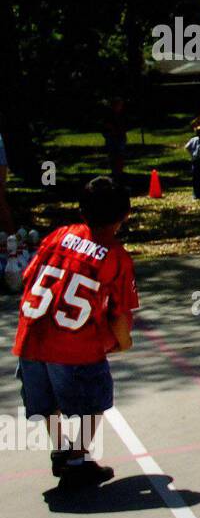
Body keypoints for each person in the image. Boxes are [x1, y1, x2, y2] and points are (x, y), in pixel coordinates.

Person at [12, 176, 138, 486]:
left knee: (45, 404)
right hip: (73, 346)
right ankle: (78, 459)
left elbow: (28, 278)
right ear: (125, 216)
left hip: (31, 337)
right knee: (93, 400)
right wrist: (123, 343)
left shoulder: (58, 236)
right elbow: (119, 314)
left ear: (82, 211)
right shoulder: (116, 257)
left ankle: (61, 450)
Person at [102, 97, 129, 178]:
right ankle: (115, 171)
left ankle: (119, 171)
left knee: (120, 155)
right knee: (113, 155)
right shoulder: (109, 114)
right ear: (115, 105)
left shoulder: (121, 114)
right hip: (112, 137)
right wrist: (114, 131)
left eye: (121, 105)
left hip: (120, 137)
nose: (121, 106)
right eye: (119, 105)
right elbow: (107, 125)